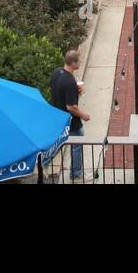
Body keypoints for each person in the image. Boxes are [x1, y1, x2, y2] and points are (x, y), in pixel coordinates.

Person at [50, 50, 91, 182]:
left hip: (58, 117)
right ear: (73, 62)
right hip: (72, 122)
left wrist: (76, 90)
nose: (80, 62)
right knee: (77, 146)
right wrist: (84, 115)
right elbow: (71, 107)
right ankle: (76, 174)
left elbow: (60, 91)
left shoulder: (57, 73)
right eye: (79, 60)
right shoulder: (69, 82)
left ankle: (76, 172)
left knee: (73, 145)